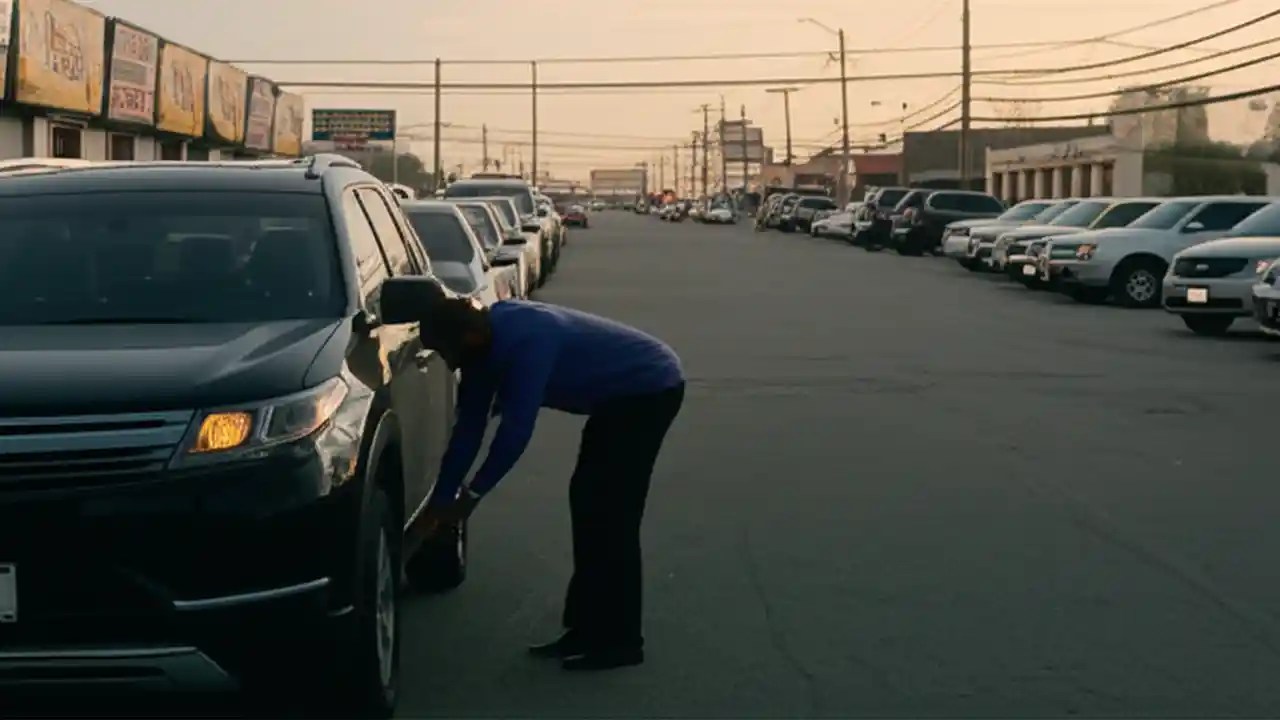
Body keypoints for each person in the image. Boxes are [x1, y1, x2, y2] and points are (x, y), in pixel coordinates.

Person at [411, 282, 685, 672]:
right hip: (612, 402)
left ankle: (621, 641)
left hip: (649, 390)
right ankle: (585, 630)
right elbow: (468, 431)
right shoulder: (482, 351)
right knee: (587, 503)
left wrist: (470, 498)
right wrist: (441, 500)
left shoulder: (527, 340)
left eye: (448, 352)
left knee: (611, 515)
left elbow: (515, 432)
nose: (450, 363)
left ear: (469, 337)